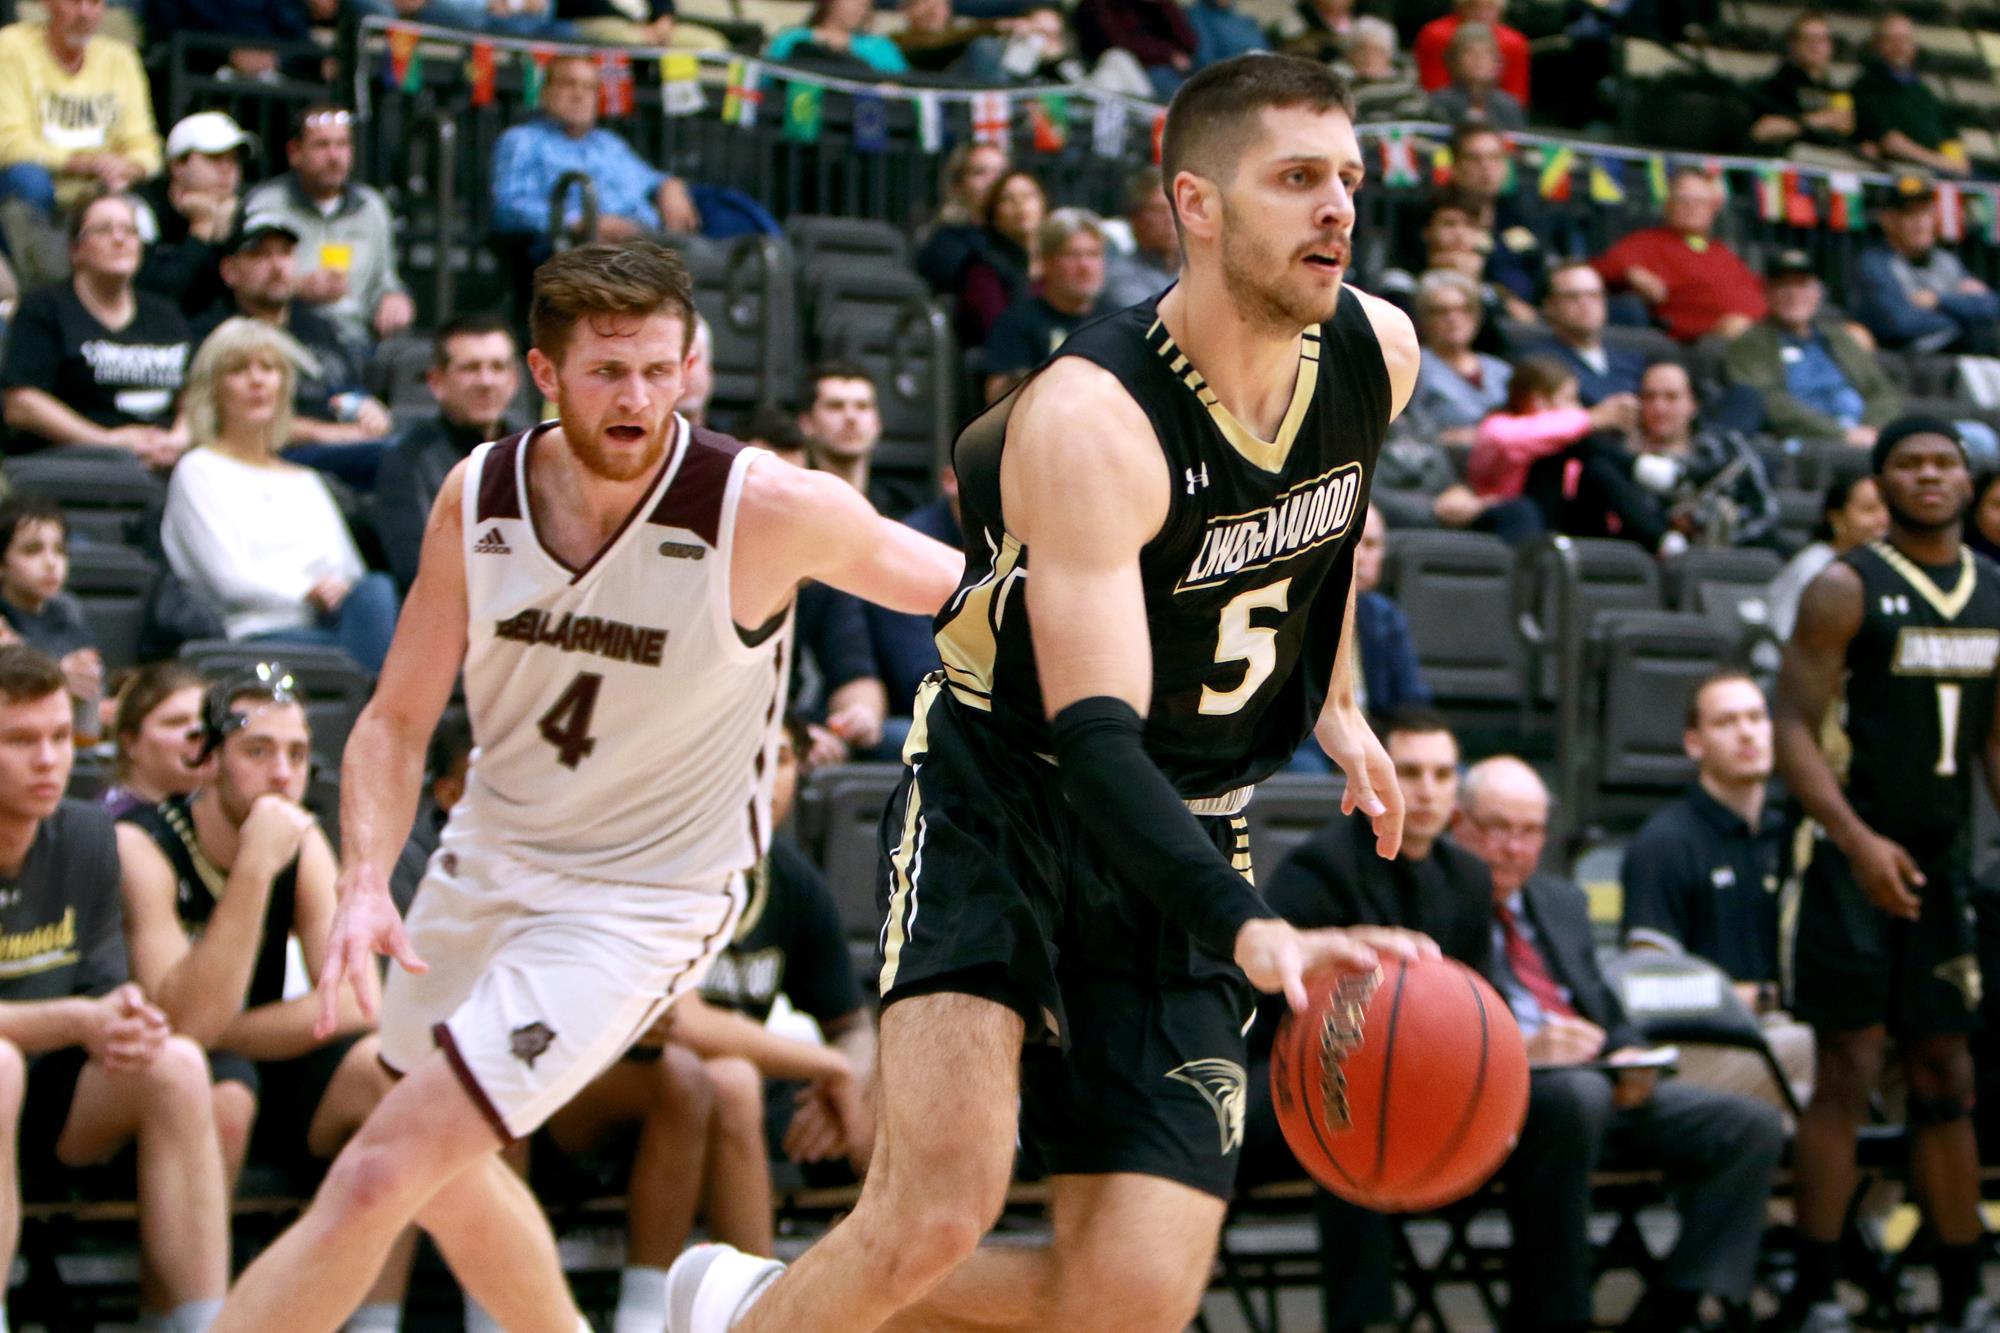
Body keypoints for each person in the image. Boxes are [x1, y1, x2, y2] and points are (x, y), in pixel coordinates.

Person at [668, 55, 1436, 1333]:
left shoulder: (1380, 350)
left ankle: (759, 1301)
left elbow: (1319, 540)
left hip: (1194, 813)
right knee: (937, 1209)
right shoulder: (1092, 419)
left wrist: (1338, 704)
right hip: (1011, 798)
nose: (1338, 210)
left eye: (1347, 179)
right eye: (1296, 180)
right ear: (1195, 204)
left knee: (1123, 1303)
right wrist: (1245, 925)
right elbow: (1092, 740)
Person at [209, 239, 963, 1333]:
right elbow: (394, 717)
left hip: (641, 897)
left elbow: (979, 595)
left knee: (379, 1174)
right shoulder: (478, 496)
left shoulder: (756, 505)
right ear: (543, 372)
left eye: (663, 370)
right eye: (609, 371)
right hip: (486, 857)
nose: (639, 398)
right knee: (444, 1167)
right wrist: (369, 874)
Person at [1773, 417, 2000, 1333]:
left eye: (1944, 462)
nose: (1930, 475)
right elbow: (1790, 726)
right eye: (1910, 463)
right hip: (1845, 856)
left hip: (1941, 862)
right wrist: (1858, 840)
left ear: (1967, 479)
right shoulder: (1843, 587)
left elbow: (1993, 738)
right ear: (1883, 482)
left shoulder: (1995, 592)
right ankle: (1816, 1285)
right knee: (1850, 1064)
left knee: (1945, 1068)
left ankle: (1963, 1288)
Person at [1455, 755, 1785, 1333]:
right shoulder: (1440, 900)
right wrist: (1526, 1047)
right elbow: (1439, 1032)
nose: (1514, 847)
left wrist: (1631, 1053)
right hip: (1509, 1097)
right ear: (1462, 826)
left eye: (1530, 831)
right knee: (1578, 1095)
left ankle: (1675, 1308)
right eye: (1498, 828)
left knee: (1751, 1126)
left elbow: (1605, 1009)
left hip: (1600, 1087)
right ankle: (1558, 1318)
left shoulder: (1562, 902)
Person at [1243, 711, 1517, 1333]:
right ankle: (1363, 1323)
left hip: (1417, 1086)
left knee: (1564, 1106)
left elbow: (1481, 1005)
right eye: (1410, 771)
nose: (1425, 789)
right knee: (1364, 1109)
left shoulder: (1470, 878)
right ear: (1375, 776)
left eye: (1442, 774)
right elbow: (1272, 1015)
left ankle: (1555, 1314)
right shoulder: (1318, 870)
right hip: (1282, 1079)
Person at [0, 644, 229, 1333]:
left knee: (178, 1064)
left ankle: (200, 1322)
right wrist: (79, 1016)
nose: (48, 759)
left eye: (60, 738)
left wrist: (127, 1014)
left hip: (57, 1094)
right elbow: (79, 1013)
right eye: (19, 740)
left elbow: (104, 990)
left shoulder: (88, 833)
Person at [114, 667, 393, 1190]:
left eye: (298, 754)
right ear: (210, 757)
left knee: (389, 1072)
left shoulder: (303, 841)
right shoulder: (144, 844)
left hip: (265, 1055)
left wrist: (226, 1033)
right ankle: (206, 1275)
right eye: (258, 752)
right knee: (227, 1098)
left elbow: (359, 1002)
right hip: (162, 1076)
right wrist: (255, 866)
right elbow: (183, 1025)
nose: (283, 774)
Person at [159, 318, 399, 675]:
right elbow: (229, 581)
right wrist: (307, 592)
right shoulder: (199, 470)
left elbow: (350, 571)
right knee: (370, 658)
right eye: (239, 370)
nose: (257, 380)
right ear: (212, 390)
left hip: (334, 629)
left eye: (269, 368)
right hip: (255, 636)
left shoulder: (306, 480)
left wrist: (336, 590)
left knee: (377, 589)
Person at [1620, 672, 1814, 1107]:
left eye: (1756, 718)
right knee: (1824, 1052)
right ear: (1695, 743)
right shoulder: (1664, 843)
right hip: (1703, 1044)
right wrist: (1761, 997)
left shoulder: (1793, 838)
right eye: (1726, 722)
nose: (1746, 732)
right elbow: (1652, 989)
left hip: (1784, 1031)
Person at [0, 190, 191, 464]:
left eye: (130, 231)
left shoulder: (165, 313)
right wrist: (106, 442)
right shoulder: (44, 308)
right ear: (75, 249)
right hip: (73, 468)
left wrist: (179, 439)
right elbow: (20, 404)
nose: (119, 239)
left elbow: (194, 395)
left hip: (164, 462)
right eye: (104, 230)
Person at [194, 212, 394, 450]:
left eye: (285, 253)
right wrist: (324, 434)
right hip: (272, 456)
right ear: (229, 271)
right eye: (261, 255)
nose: (278, 266)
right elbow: (219, 419)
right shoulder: (215, 334)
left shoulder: (318, 327)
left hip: (348, 448)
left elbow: (346, 390)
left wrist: (368, 408)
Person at [241, 105, 414, 356]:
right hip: (284, 337)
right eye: (321, 145)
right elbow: (242, 282)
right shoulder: (267, 203)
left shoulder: (371, 207)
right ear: (295, 152)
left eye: (342, 144)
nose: (334, 156)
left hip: (359, 341)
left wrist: (395, 296)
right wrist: (296, 288)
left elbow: (385, 278)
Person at [489, 54, 701, 255]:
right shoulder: (523, 140)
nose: (579, 95)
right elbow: (509, 207)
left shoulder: (609, 143)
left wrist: (670, 186)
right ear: (545, 92)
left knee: (716, 256)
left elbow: (649, 179)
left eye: (589, 88)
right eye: (569, 84)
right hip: (579, 250)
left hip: (650, 242)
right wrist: (581, 221)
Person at [377, 315, 523, 592]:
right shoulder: (407, 458)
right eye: (470, 368)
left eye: (498, 367)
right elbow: (414, 568)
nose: (486, 381)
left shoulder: (538, 450)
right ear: (436, 382)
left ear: (514, 379)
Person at [0, 0, 160, 236]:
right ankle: (44, 272)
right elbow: (9, 143)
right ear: (48, 3)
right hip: (39, 187)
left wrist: (128, 167)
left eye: (94, 3)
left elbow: (145, 144)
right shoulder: (11, 47)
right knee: (29, 180)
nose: (84, 13)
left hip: (103, 187)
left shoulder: (120, 58)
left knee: (145, 199)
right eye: (74, 2)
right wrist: (82, 163)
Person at [1724, 250, 1901, 449]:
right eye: (1784, 285)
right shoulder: (1750, 343)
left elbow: (1881, 390)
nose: (1794, 294)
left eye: (1802, 285)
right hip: (1805, 441)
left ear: (1818, 292)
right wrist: (1840, 434)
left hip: (1864, 434)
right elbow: (1767, 401)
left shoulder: (1839, 337)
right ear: (1767, 293)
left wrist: (1871, 428)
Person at [1591, 168, 1765, 344]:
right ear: (1668, 205)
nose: (1692, 206)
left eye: (1700, 201)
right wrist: (1631, 273)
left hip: (1758, 331)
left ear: (1713, 209)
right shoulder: (1648, 242)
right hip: (1697, 341)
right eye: (1683, 199)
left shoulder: (1720, 250)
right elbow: (1598, 270)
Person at [1629, 360, 1780, 550]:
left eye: (1671, 397)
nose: (1659, 407)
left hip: (1741, 552)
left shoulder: (1725, 446)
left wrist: (1715, 529)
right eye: (1649, 397)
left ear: (1693, 403)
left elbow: (1765, 510)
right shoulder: (1624, 456)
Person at [1854, 174, 2000, 356]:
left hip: (1955, 359)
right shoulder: (1875, 264)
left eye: (1925, 212)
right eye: (1909, 214)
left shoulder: (1946, 261)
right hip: (1904, 364)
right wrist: (1966, 315)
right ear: (1888, 221)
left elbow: (1992, 307)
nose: (1920, 222)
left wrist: (1938, 300)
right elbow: (1901, 323)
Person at [1469, 355, 1636, 504]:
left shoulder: (1568, 434)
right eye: (1570, 399)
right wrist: (1592, 419)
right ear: (1538, 401)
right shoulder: (1497, 426)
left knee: (1596, 464)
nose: (1577, 407)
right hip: (1517, 512)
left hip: (1568, 511)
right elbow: (1514, 438)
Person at [984, 208, 1111, 402]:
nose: (1085, 266)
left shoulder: (1116, 320)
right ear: (1046, 262)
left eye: (1093, 254)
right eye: (1072, 255)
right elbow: (997, 396)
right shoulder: (1017, 322)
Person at [134, 110, 253, 318]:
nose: (227, 170)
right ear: (178, 166)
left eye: (233, 160)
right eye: (214, 158)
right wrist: (201, 230)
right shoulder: (141, 208)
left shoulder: (241, 211)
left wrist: (223, 240)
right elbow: (155, 295)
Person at [0, 497, 101, 734]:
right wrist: (59, 678)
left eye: (60, 550)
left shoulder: (68, 615)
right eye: (32, 550)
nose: (51, 562)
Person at [1767, 475, 1888, 642]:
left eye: (1888, 509)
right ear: (1837, 519)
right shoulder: (1813, 566)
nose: (1883, 519)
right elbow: (1785, 634)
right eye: (1869, 510)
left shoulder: (1891, 565)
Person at [1850, 11, 1969, 178]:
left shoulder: (1923, 91)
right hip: (1902, 176)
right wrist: (1940, 162)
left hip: (1940, 175)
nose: (1900, 46)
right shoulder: (1866, 87)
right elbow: (1890, 142)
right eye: (1891, 39)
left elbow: (1951, 140)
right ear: (1877, 44)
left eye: (1905, 39)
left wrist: (1956, 163)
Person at [1408, 268, 1511, 446]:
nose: (1454, 318)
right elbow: (1406, 435)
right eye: (1441, 311)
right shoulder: (1413, 369)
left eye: (1465, 309)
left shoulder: (1501, 370)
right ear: (1423, 319)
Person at [1522, 261, 1646, 406]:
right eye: (1573, 296)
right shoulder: (1534, 361)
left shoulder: (1633, 362)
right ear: (1550, 306)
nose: (1585, 303)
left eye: (1594, 295)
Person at [1352, 504, 1430, 716]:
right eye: (1351, 541)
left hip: (1375, 737)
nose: (1359, 557)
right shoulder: (1294, 611)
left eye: (1370, 545)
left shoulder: (1385, 615)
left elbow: (1411, 701)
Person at [102, 661, 207, 819]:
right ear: (129, 742)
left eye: (207, 720)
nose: (199, 731)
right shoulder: (105, 825)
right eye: (176, 722)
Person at [954, 169, 1045, 351]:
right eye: (1007, 199)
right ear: (994, 215)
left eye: (1028, 196)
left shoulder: (1058, 262)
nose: (1020, 205)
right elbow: (999, 331)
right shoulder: (983, 269)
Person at [1748, 12, 1859, 160]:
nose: (1815, 46)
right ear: (1793, 44)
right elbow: (1762, 130)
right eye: (1808, 38)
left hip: (1839, 162)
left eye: (1822, 40)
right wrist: (1822, 119)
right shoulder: (1776, 85)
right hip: (1795, 162)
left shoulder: (1836, 89)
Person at [916, 143, 1010, 294]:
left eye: (1001, 173)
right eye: (980, 172)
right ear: (958, 185)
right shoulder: (947, 241)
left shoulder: (1028, 236)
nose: (994, 181)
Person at [1073, 0, 1199, 100]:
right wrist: (1169, 54)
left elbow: (1190, 42)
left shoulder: (1154, 6)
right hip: (1135, 72)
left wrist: (1164, 3)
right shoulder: (1098, 5)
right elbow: (1119, 43)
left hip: (1174, 70)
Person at [1413, 0, 1529, 104]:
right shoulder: (1437, 35)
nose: (1482, 14)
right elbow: (1432, 89)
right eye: (1474, 7)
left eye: (1489, 8)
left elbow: (1516, 99)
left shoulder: (1514, 43)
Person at [1100, 167, 1180, 311]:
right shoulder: (1120, 277)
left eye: (1176, 208)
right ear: (1135, 219)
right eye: (1158, 210)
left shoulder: (1205, 269)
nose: (1170, 219)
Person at [765, 0, 911, 73]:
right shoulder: (791, 38)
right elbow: (765, 82)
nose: (860, 5)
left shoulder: (881, 47)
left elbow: (907, 90)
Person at [1426, 22, 1524, 130]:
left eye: (1486, 53)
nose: (1478, 59)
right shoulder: (1437, 104)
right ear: (1453, 60)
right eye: (1469, 52)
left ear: (1498, 63)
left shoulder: (1508, 106)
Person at [1334, 17, 1429, 122]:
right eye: (1362, 49)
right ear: (1349, 54)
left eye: (1377, 50)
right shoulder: (1339, 85)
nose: (1368, 56)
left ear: (1389, 55)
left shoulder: (1407, 83)